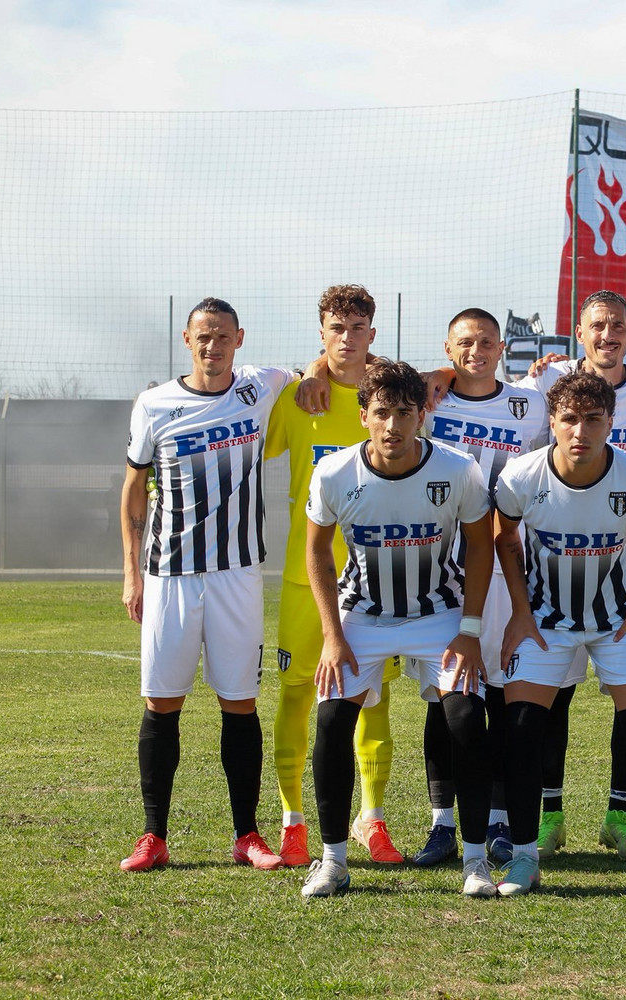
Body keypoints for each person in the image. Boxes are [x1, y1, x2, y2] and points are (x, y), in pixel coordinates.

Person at [299, 360, 495, 899]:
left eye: (404, 413)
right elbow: (316, 550)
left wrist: (470, 630)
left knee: (463, 719)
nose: (393, 426)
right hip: (362, 615)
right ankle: (334, 859)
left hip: (441, 617)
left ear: (421, 416)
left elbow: (480, 545)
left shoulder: (457, 469)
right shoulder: (335, 473)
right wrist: (333, 636)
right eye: (381, 413)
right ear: (363, 416)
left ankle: (475, 862)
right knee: (333, 719)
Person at [119, 297, 296, 872]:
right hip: (168, 573)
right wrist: (131, 572)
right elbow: (131, 491)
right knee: (161, 702)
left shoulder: (259, 387)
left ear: (239, 339)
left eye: (222, 336)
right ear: (187, 339)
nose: (212, 346)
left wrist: (441, 374)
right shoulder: (154, 404)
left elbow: (325, 367)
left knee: (238, 702)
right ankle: (154, 836)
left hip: (237, 573)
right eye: (203, 337)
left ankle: (247, 836)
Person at [513, 290, 626, 861]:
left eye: (617, 325)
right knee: (550, 705)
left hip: (620, 576)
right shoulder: (546, 382)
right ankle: (549, 816)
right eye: (596, 325)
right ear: (579, 333)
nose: (607, 334)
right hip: (552, 577)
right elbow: (478, 377)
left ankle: (621, 815)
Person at [493, 369, 626, 898]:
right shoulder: (520, 476)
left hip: (620, 623)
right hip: (546, 622)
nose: (580, 431)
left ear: (611, 423)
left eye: (593, 420)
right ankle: (525, 859)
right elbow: (504, 537)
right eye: (569, 419)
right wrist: (521, 613)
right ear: (551, 422)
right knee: (523, 731)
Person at [265, 284, 405, 868]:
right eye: (336, 329)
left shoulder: (393, 398)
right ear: (321, 334)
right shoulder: (298, 399)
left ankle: (371, 818)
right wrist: (306, 373)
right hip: (309, 579)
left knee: (373, 700)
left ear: (374, 334)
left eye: (357, 328)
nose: (347, 339)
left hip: (380, 579)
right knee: (298, 692)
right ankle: (293, 820)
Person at [408, 308, 549, 868]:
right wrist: (428, 378)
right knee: (445, 697)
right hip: (443, 567)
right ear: (448, 347)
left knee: (499, 693)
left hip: (510, 565)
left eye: (486, 342)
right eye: (465, 342)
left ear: (501, 348)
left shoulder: (531, 403)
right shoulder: (428, 401)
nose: (476, 351)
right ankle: (443, 822)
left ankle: (495, 821)